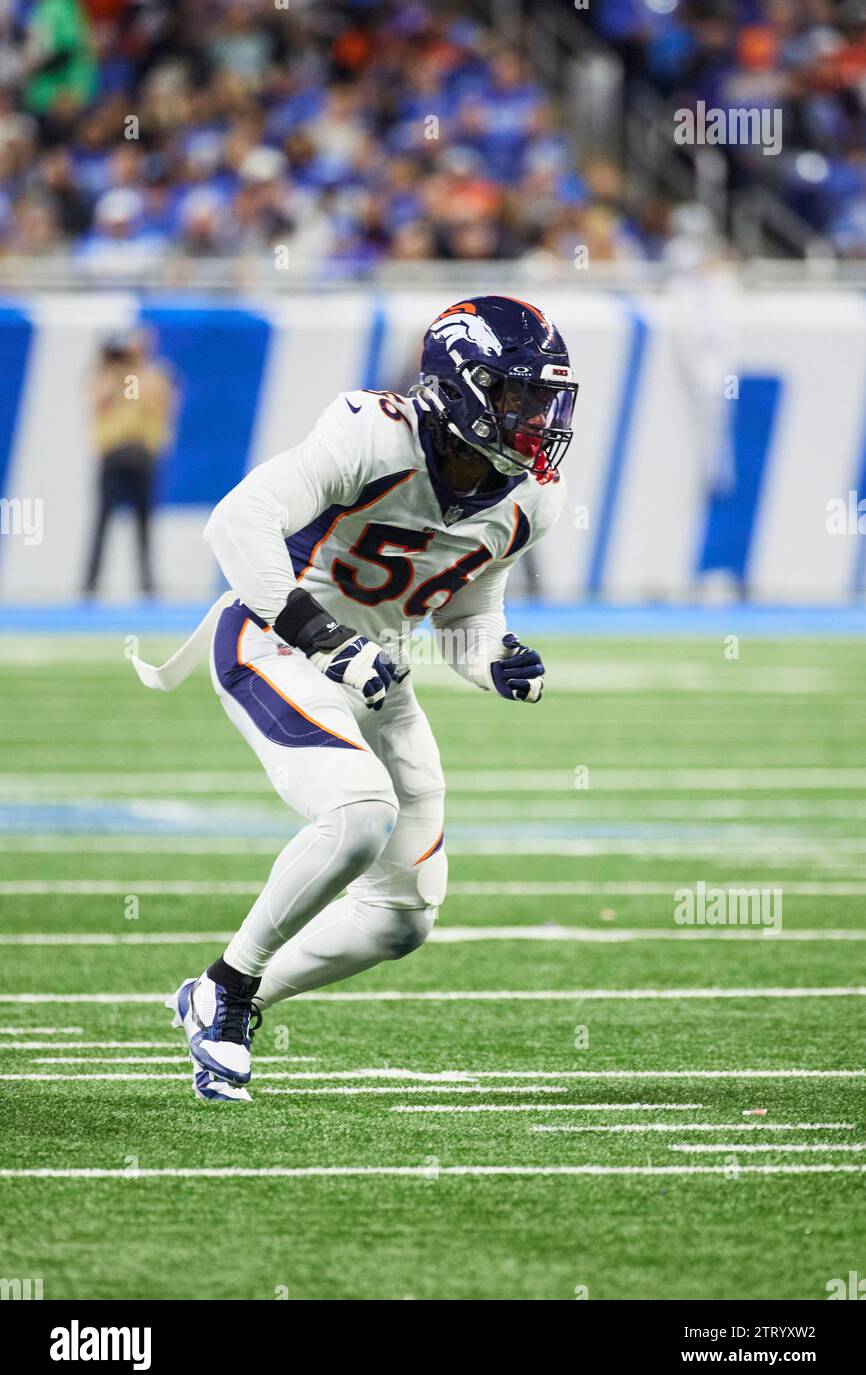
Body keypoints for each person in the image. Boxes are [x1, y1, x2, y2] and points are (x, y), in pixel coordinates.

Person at [147, 296, 577, 1100]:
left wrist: (495, 661)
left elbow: (463, 612)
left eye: (546, 399)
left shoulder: (530, 499)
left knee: (402, 916)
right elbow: (236, 523)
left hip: (374, 670)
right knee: (359, 812)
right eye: (520, 396)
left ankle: (222, 999)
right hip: (271, 640)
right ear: (463, 386)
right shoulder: (371, 435)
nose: (538, 418)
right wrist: (321, 637)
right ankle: (230, 985)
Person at [83, 328, 176, 598]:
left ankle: (148, 588)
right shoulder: (105, 375)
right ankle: (89, 587)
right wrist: (113, 369)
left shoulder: (154, 375)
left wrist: (133, 372)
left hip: (142, 455)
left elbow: (160, 402)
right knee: (102, 523)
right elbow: (98, 401)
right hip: (112, 455)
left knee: (143, 525)